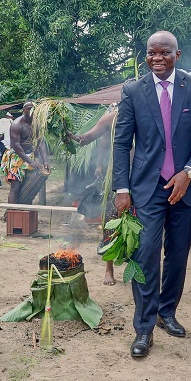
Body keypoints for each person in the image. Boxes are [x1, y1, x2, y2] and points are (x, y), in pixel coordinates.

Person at [113, 30, 191, 358]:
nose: (157, 58)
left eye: (164, 53)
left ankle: (166, 312)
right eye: (151, 53)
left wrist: (189, 172)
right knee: (145, 254)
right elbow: (121, 142)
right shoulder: (133, 90)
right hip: (147, 187)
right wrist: (122, 187)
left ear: (177, 54)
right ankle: (143, 328)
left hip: (185, 185)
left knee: (177, 254)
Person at [73, 106, 120, 285]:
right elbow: (92, 141)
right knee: (109, 222)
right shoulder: (112, 119)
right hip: (113, 177)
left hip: (139, 179)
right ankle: (109, 269)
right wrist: (70, 136)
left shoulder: (147, 114)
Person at [2, 101, 50, 204]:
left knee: (28, 185)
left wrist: (45, 161)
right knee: (15, 188)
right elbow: (16, 145)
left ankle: (25, 212)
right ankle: (12, 215)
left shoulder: (36, 124)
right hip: (16, 158)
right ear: (24, 110)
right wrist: (30, 162)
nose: (31, 110)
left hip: (29, 155)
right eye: (28, 108)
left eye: (33, 108)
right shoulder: (17, 124)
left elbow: (40, 141)